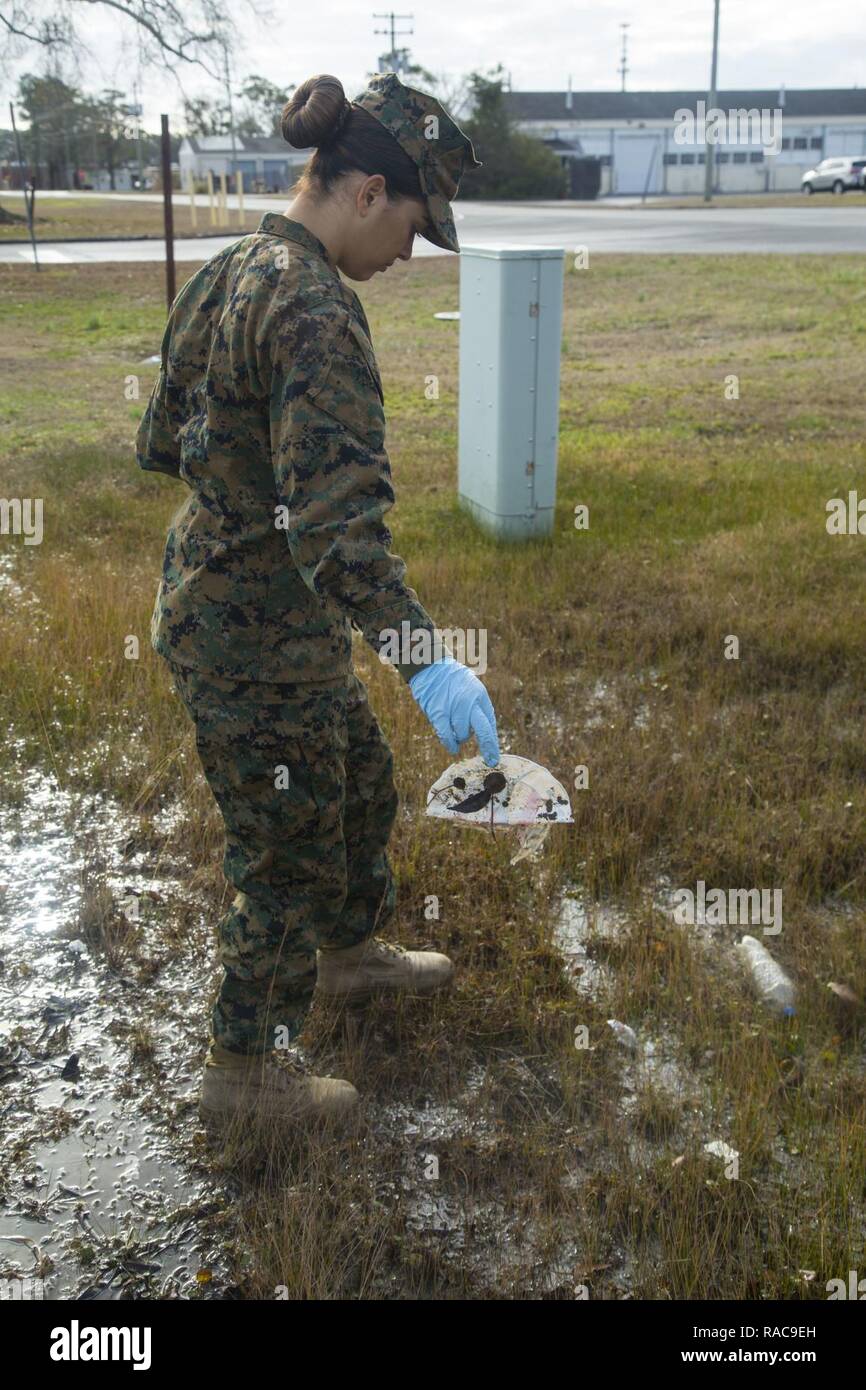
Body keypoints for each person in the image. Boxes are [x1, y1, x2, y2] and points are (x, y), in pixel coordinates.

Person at [135, 71, 500, 1128]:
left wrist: (240, 479)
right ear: (370, 194)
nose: (403, 261)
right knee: (285, 852)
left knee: (356, 780)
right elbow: (340, 536)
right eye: (413, 233)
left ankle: (350, 955)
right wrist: (426, 659)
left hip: (228, 611)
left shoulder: (227, 271)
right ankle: (240, 1073)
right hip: (256, 640)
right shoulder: (314, 309)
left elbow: (159, 440)